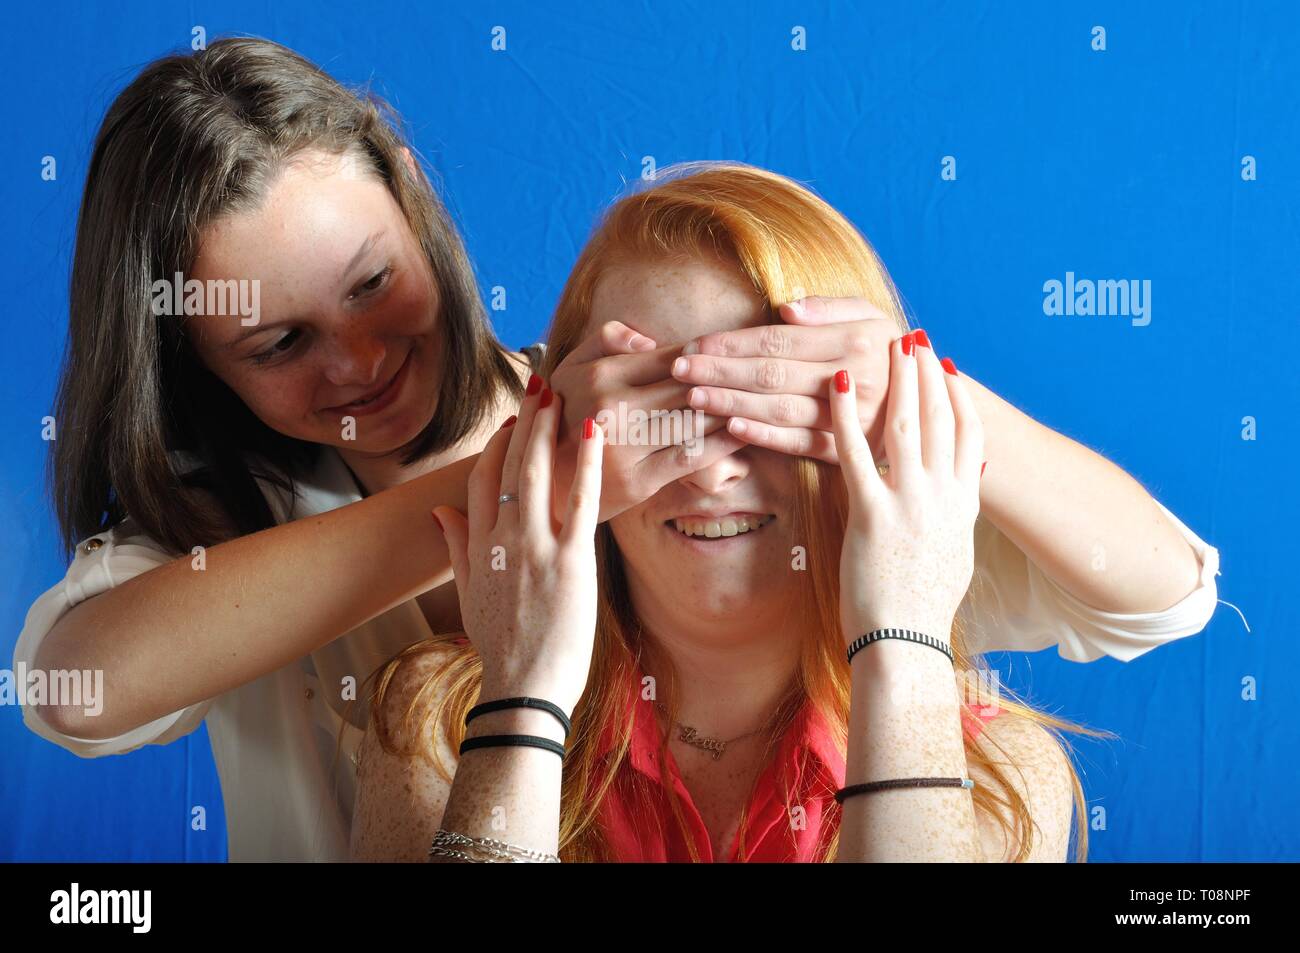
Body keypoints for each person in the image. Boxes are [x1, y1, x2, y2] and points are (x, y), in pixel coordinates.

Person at [349, 162, 1222, 862]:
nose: (712, 474)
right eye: (662, 416)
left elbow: (1170, 586)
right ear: (577, 437)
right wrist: (523, 703)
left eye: (770, 409)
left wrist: (904, 635)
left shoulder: (995, 772)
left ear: (867, 431)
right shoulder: (436, 722)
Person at [11, 38, 742, 862]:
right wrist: (524, 481)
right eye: (280, 342)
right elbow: (67, 688)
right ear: (194, 359)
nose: (359, 363)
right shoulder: (228, 528)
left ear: (411, 191)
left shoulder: (634, 418)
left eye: (371, 284)